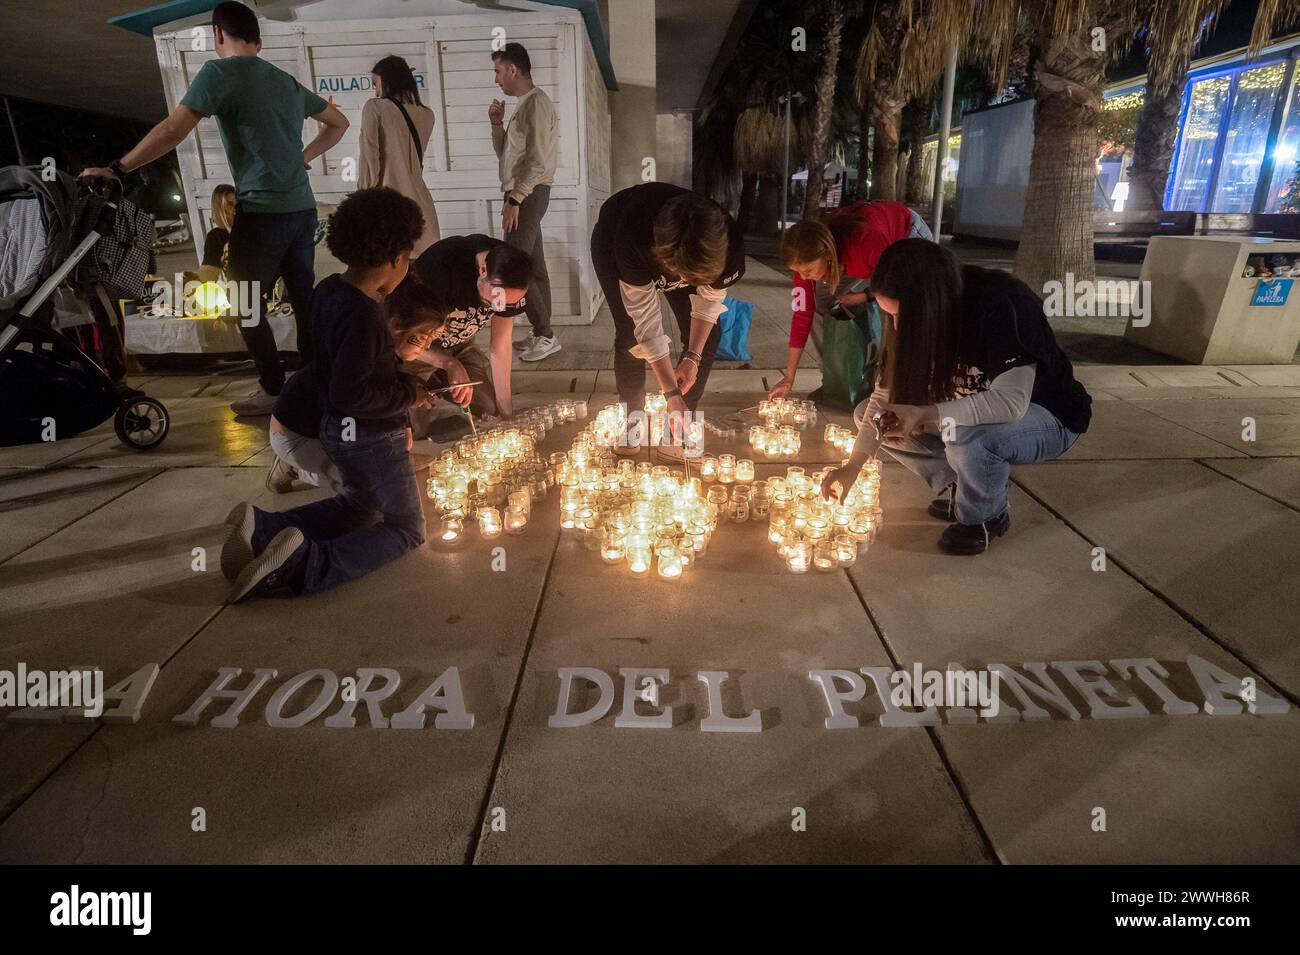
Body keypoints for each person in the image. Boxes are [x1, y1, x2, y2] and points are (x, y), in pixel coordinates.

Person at [85, 1, 350, 418]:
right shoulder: (283, 80)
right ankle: (315, 384)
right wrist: (304, 155)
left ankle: (273, 389)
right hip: (301, 211)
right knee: (303, 302)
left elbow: (174, 129)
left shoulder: (218, 73)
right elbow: (338, 122)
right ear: (257, 39)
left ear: (217, 34)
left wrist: (118, 168)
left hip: (261, 213)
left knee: (245, 304)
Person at [221, 187, 432, 602]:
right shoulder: (365, 314)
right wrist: (407, 390)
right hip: (371, 436)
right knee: (406, 528)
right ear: (397, 257)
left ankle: (263, 529)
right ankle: (303, 565)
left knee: (360, 506)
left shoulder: (329, 290)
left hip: (337, 431)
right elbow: (353, 393)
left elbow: (322, 365)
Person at [821, 240, 1092, 556]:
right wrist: (854, 465)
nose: (896, 326)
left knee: (965, 432)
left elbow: (1011, 403)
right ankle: (959, 485)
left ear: (930, 303)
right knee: (871, 414)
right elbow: (883, 396)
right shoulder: (911, 317)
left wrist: (925, 413)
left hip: (1048, 415)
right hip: (976, 413)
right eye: (888, 315)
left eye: (901, 315)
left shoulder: (1002, 304)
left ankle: (985, 516)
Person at [590, 182, 745, 461]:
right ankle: (632, 423)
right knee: (629, 334)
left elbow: (708, 305)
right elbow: (646, 324)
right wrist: (669, 391)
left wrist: (692, 357)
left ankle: (677, 431)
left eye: (692, 280)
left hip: (688, 256)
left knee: (710, 334)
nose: (683, 284)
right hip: (613, 236)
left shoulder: (728, 249)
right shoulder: (633, 240)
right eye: (681, 276)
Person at [265, 276, 445, 494]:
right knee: (372, 490)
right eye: (423, 337)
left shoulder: (386, 352)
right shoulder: (362, 348)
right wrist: (408, 397)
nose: (426, 347)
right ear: (397, 325)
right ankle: (293, 466)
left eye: (432, 339)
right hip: (297, 434)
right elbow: (355, 399)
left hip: (335, 428)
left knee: (387, 464)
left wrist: (404, 420)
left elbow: (389, 391)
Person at [772, 200, 933, 404]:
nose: (803, 278)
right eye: (798, 272)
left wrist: (864, 296)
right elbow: (802, 315)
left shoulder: (866, 242)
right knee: (822, 303)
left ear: (827, 255)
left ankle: (890, 384)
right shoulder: (804, 258)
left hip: (907, 235)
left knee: (896, 309)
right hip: (855, 255)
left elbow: (893, 284)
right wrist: (789, 377)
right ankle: (838, 379)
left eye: (807, 271)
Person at [408, 233, 534, 428]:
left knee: (490, 407)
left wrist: (507, 413)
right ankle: (417, 383)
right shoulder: (442, 269)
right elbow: (405, 339)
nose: (497, 308)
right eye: (492, 302)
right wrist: (449, 363)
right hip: (417, 351)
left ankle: (438, 383)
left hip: (459, 345)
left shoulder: (511, 276)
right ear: (482, 270)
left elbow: (500, 346)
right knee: (414, 429)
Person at [489, 42, 560, 363]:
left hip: (526, 194)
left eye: (498, 71)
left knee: (515, 265)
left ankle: (545, 335)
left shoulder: (536, 104)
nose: (496, 79)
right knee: (534, 265)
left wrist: (515, 198)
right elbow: (508, 155)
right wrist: (496, 125)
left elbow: (537, 161)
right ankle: (544, 334)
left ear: (513, 69)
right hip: (524, 192)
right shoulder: (525, 104)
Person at [358, 54, 439, 256]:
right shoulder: (427, 114)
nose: (376, 90)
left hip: (387, 206)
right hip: (421, 207)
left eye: (376, 83)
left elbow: (371, 163)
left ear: (386, 80)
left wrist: (361, 202)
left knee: (386, 278)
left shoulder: (375, 107)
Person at [199, 183, 236, 280]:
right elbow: (208, 274)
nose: (235, 209)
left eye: (238, 203)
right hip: (241, 290)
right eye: (230, 204)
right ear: (220, 208)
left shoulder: (253, 230)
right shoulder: (216, 237)